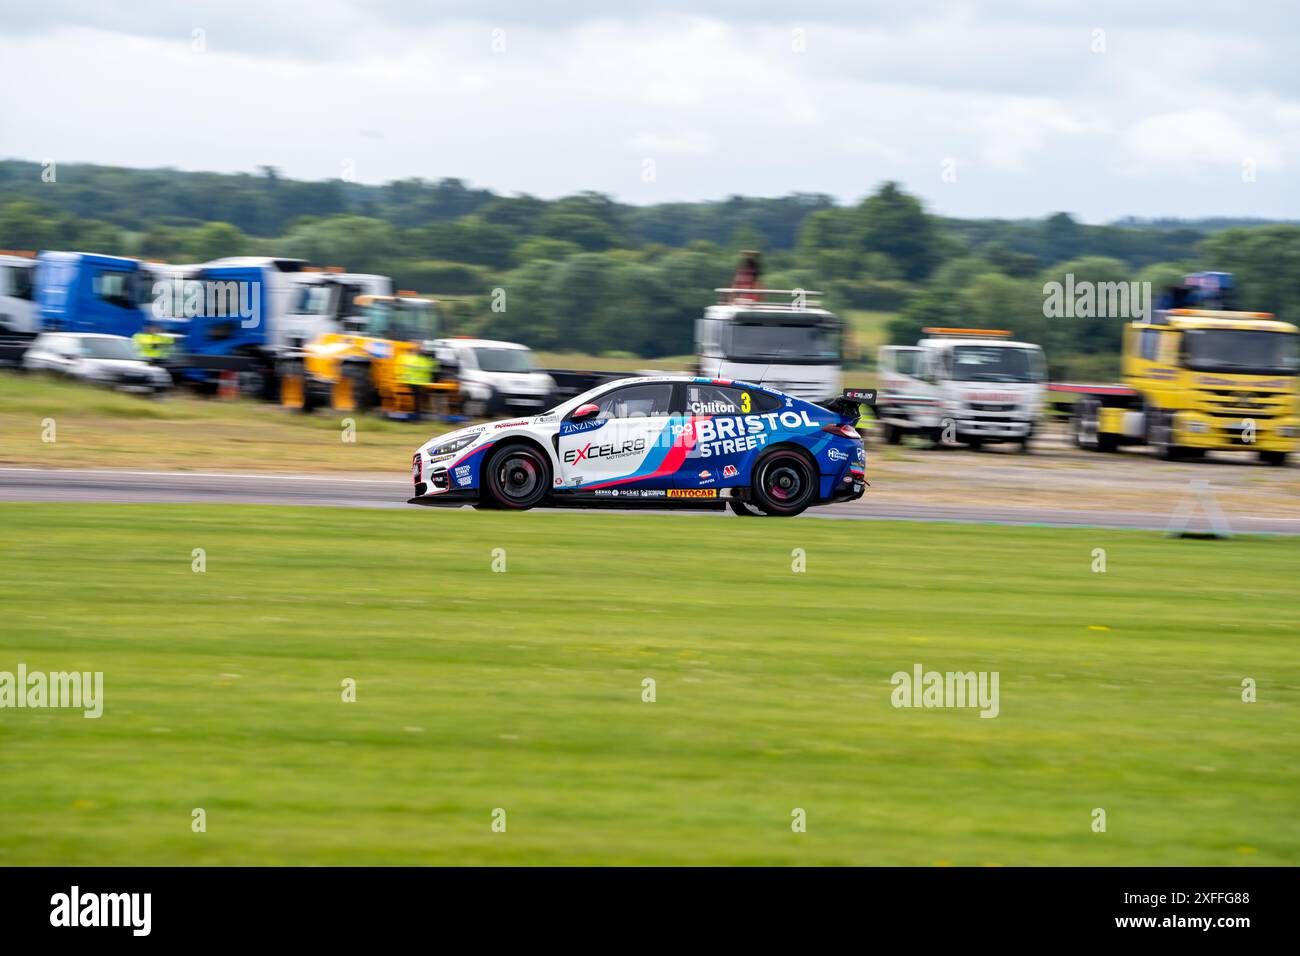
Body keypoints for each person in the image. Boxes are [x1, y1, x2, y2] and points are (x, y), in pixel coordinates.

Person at [396, 346, 437, 420]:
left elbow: (404, 370)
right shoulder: (424, 361)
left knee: (416, 400)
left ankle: (417, 416)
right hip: (419, 383)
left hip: (411, 382)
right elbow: (432, 370)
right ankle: (417, 417)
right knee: (418, 400)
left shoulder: (411, 359)